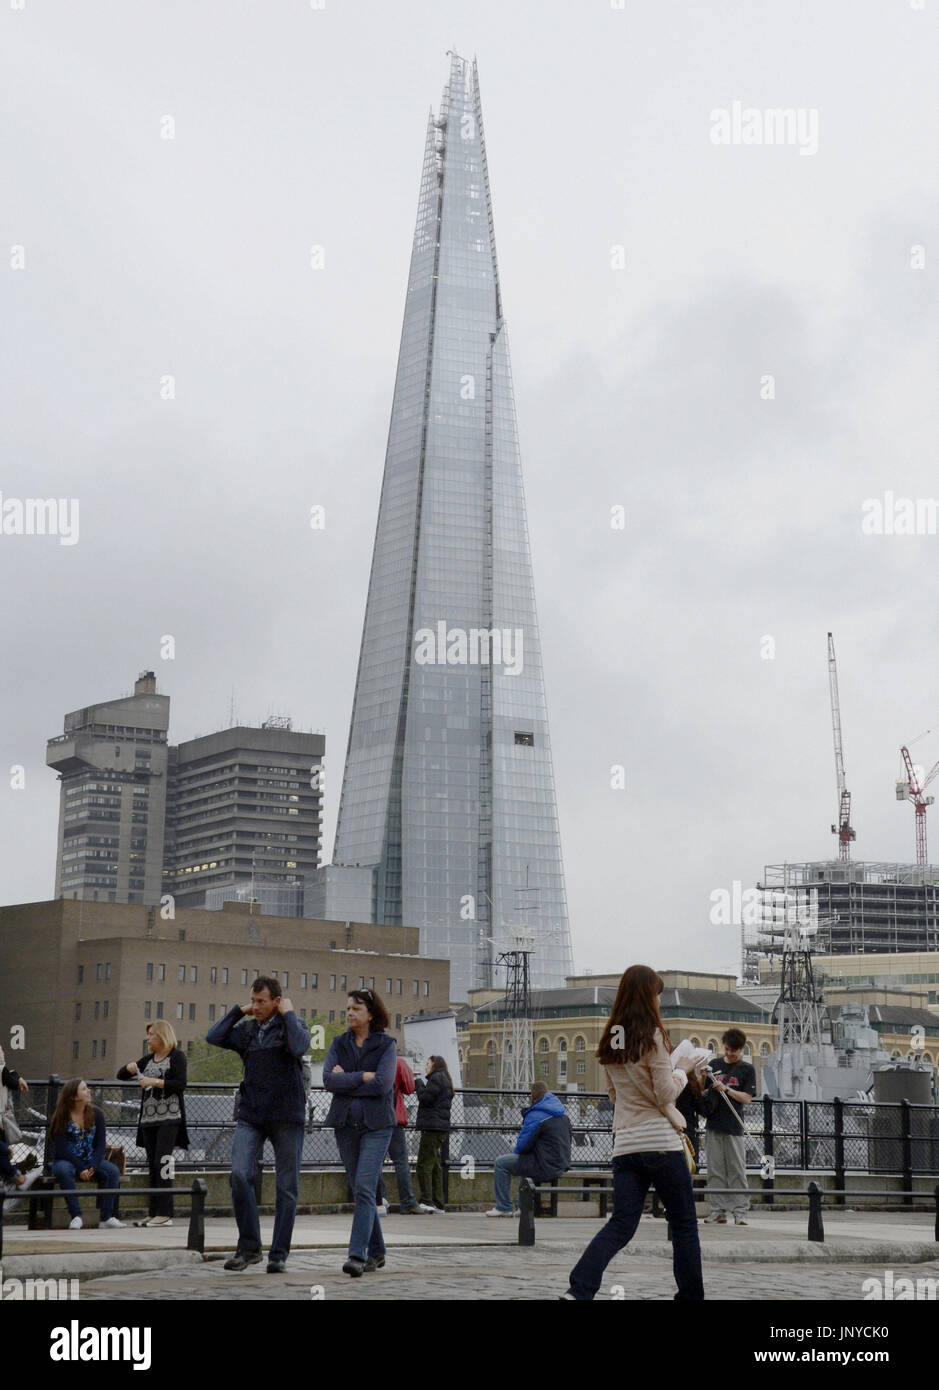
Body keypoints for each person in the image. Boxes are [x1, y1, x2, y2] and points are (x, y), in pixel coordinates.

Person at [562, 965, 704, 1301]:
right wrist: (682, 1070)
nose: (659, 999)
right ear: (648, 995)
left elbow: (614, 1094)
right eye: (658, 993)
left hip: (625, 1145)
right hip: (660, 1144)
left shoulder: (612, 1037)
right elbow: (666, 1094)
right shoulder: (652, 1035)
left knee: (621, 1225)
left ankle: (579, 1289)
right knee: (683, 1225)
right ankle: (690, 1296)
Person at [206, 976, 310, 1272]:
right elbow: (214, 1037)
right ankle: (249, 1247)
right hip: (251, 1114)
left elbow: (300, 1047)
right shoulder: (248, 1030)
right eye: (253, 1001)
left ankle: (278, 1254)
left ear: (277, 1001)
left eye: (261, 1001)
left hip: (287, 1115)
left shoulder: (293, 1027)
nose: (257, 1006)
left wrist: (288, 1014)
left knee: (286, 1187)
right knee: (239, 1174)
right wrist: (239, 1011)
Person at [324, 988, 396, 1276]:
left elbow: (383, 1084)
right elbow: (328, 1079)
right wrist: (362, 1076)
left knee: (365, 1187)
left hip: (377, 1127)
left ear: (370, 1013)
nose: (350, 1013)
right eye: (348, 1009)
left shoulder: (386, 1045)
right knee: (360, 1189)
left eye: (356, 1008)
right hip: (345, 1126)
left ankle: (357, 1255)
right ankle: (377, 1251)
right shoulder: (339, 1043)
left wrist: (348, 1080)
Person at [118, 1020, 189, 1226]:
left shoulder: (177, 1056)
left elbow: (180, 1084)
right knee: (151, 1164)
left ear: (161, 1036)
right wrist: (129, 1067)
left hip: (169, 1118)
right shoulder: (148, 1060)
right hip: (149, 1120)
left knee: (163, 1162)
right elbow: (121, 1075)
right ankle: (153, 1211)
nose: (148, 1038)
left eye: (151, 1034)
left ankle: (166, 1213)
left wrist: (154, 1082)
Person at [486, 1081, 572, 1217]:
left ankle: (504, 1207)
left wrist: (517, 1156)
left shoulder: (536, 1114)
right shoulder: (562, 1114)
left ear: (532, 1096)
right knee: (526, 1162)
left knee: (501, 1163)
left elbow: (523, 1145)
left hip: (544, 1164)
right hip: (561, 1163)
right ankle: (523, 1208)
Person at [698, 1028, 756, 1225]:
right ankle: (718, 1211)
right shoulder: (714, 1065)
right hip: (713, 1125)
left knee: (737, 1170)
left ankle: (740, 1212)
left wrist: (727, 1089)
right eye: (728, 1049)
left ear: (741, 1050)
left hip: (733, 1127)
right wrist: (701, 1077)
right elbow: (702, 1092)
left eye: (735, 1050)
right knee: (715, 1170)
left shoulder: (747, 1070)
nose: (731, 1053)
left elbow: (746, 1098)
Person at [50, 1079, 124, 1230]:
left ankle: (106, 1217)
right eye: (84, 1089)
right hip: (66, 1160)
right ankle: (76, 1216)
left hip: (90, 1159)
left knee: (113, 1171)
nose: (89, 1091)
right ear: (74, 1096)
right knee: (64, 1171)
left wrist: (94, 1166)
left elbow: (100, 1144)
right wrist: (80, 1168)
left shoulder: (97, 1114)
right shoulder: (62, 1116)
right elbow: (61, 1149)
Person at [375, 1055, 420, 1215]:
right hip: (394, 1118)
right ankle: (407, 1201)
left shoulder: (372, 1059)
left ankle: (380, 1200)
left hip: (374, 1118)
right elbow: (409, 1087)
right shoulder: (398, 1061)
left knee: (375, 1162)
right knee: (401, 1161)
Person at [414, 1055, 453, 1213]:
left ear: (435, 1065)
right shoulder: (445, 1079)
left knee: (424, 1164)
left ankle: (426, 1200)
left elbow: (425, 1099)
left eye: (428, 1064)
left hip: (432, 1126)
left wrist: (418, 1083)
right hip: (440, 1127)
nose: (426, 1067)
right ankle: (438, 1202)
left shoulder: (435, 1078)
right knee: (436, 1165)